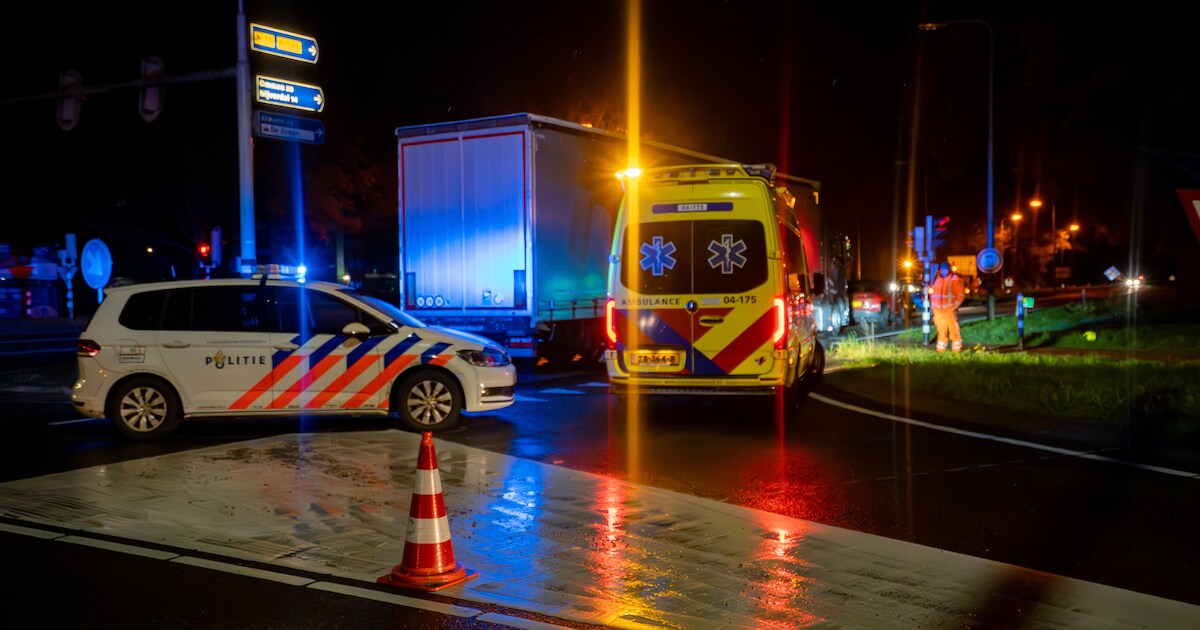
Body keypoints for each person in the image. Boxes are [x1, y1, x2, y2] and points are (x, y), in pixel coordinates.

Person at [930, 262, 966, 353]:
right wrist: (933, 306)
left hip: (949, 310)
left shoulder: (955, 280)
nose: (943, 271)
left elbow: (960, 296)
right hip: (938, 310)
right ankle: (940, 350)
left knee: (953, 329)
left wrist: (953, 307)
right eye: (942, 269)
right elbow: (933, 294)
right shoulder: (937, 280)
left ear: (949, 270)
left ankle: (957, 350)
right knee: (941, 330)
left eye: (945, 269)